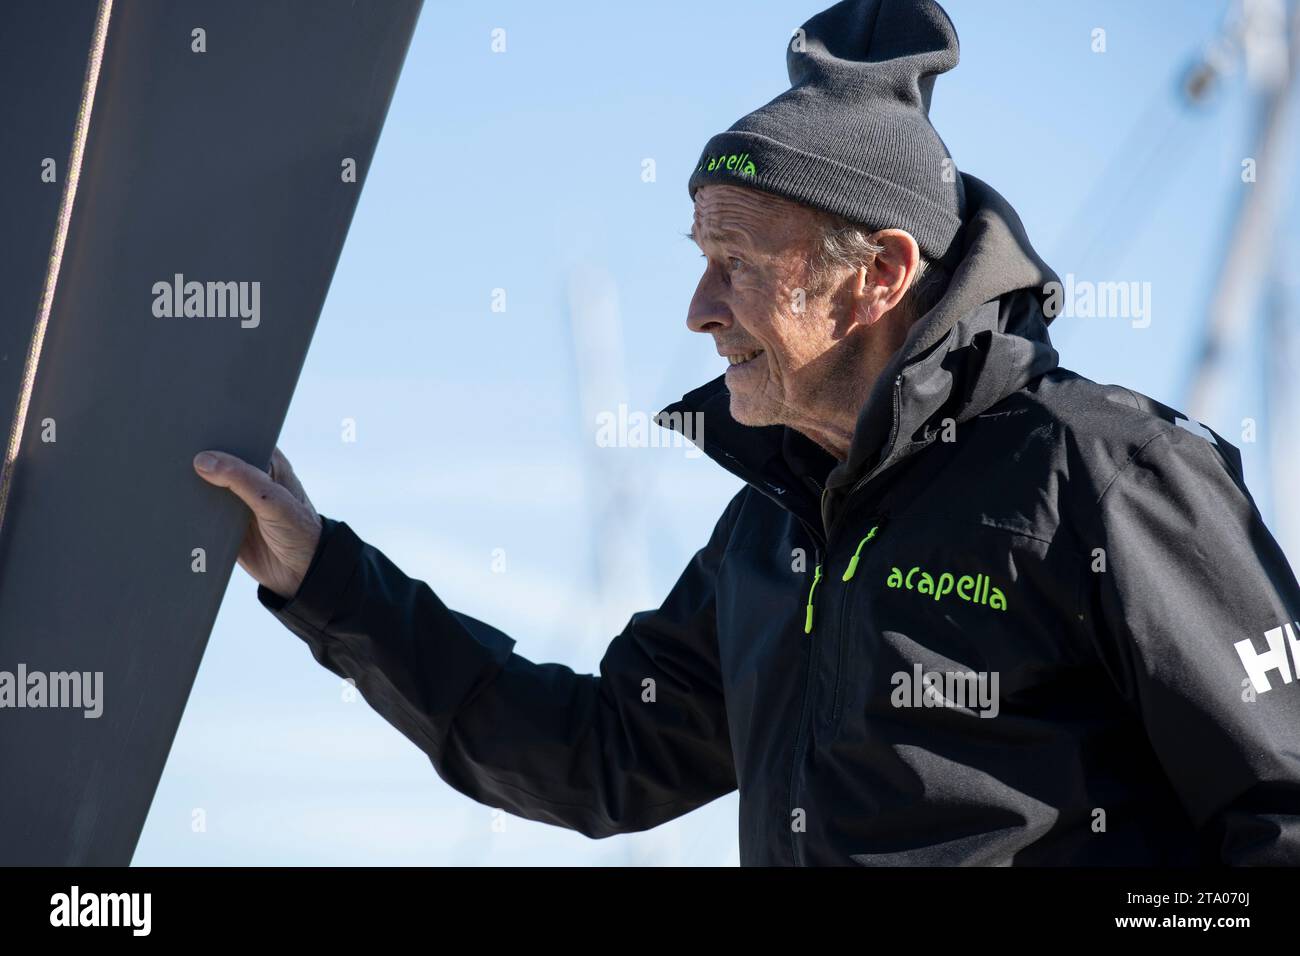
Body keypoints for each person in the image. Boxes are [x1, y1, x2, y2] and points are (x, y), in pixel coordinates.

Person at [194, 0, 1300, 864]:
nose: (698, 308)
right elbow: (593, 755)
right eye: (698, 253)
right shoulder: (767, 535)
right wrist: (322, 574)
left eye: (738, 263)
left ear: (877, 276)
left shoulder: (1106, 475)